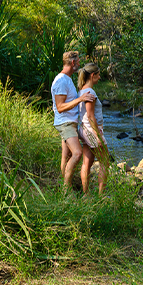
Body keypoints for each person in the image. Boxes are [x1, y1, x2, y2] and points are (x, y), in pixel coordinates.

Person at [51, 51, 95, 191]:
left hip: (69, 122)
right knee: (77, 153)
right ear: (72, 63)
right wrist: (80, 99)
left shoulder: (67, 79)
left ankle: (65, 189)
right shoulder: (61, 81)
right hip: (65, 123)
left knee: (66, 155)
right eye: (78, 62)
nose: (79, 64)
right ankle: (66, 190)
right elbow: (60, 107)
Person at [77, 62, 110, 195]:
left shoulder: (82, 90)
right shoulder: (90, 92)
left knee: (87, 162)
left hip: (84, 130)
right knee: (105, 161)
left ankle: (86, 195)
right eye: (98, 74)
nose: (100, 77)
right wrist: (98, 135)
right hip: (91, 130)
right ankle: (101, 195)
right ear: (92, 75)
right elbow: (90, 116)